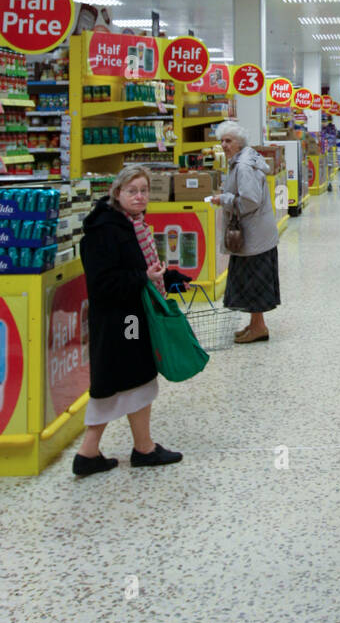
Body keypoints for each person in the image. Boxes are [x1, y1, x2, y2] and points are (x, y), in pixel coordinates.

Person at [76, 164, 187, 476]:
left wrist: (169, 278)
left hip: (129, 315)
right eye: (132, 191)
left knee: (125, 381)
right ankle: (140, 449)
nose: (140, 197)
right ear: (117, 193)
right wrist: (144, 278)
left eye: (144, 191)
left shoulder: (132, 225)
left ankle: (95, 452)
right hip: (122, 320)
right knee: (131, 378)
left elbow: (138, 269)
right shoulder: (105, 231)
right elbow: (102, 283)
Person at [212, 122, 280, 343]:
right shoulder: (244, 161)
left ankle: (259, 327)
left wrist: (224, 199)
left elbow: (250, 201)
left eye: (228, 141)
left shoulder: (242, 167)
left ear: (239, 143)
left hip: (254, 235)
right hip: (257, 233)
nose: (224, 145)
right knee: (251, 280)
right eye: (222, 141)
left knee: (253, 282)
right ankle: (255, 324)